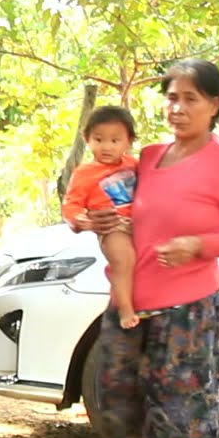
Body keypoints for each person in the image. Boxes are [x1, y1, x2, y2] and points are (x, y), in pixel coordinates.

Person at [86, 59, 219, 438]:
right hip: (129, 305)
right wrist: (100, 220)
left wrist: (200, 245)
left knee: (174, 419)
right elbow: (121, 211)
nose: (178, 107)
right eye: (171, 96)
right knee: (116, 414)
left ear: (214, 105)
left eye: (191, 98)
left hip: (189, 311)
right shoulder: (147, 156)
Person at [63, 106, 141, 328]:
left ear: (129, 141)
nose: (106, 146)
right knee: (123, 260)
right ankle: (125, 310)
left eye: (115, 140)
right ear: (86, 138)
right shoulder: (84, 173)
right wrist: (82, 221)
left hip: (136, 225)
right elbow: (71, 205)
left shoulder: (133, 165)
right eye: (98, 139)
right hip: (112, 228)